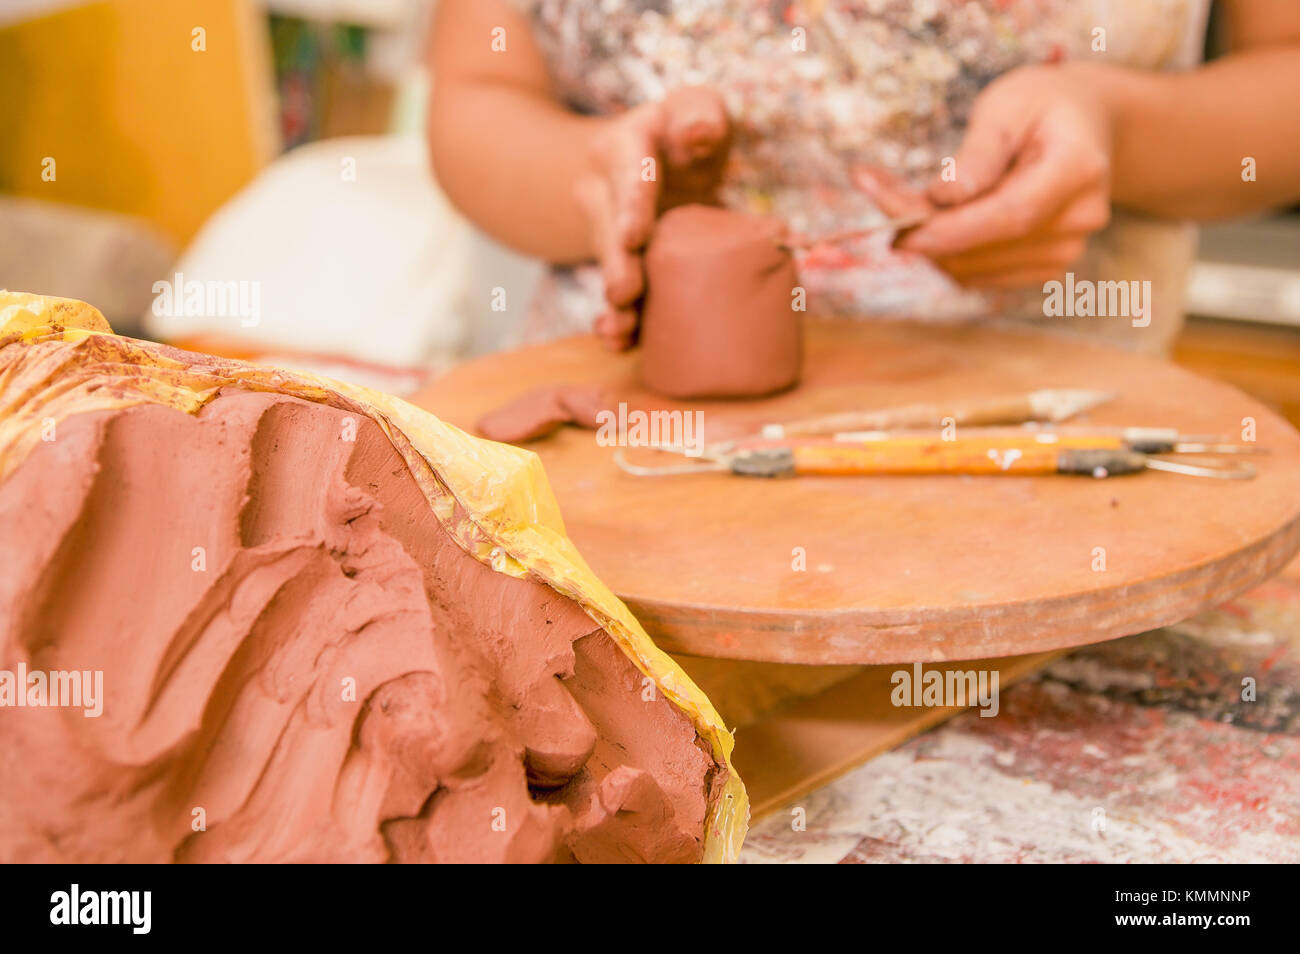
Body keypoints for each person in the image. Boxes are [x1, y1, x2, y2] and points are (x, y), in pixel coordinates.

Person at [427, 0, 1300, 356]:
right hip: (626, 443)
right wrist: (598, 182)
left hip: (1060, 456)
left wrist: (1118, 132)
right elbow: (478, 93)